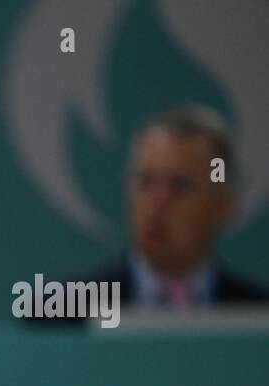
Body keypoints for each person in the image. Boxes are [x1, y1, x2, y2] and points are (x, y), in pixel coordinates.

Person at [60, 105, 269, 318]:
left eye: (180, 185)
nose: (157, 202)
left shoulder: (258, 319)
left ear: (224, 205)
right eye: (146, 181)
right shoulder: (65, 312)